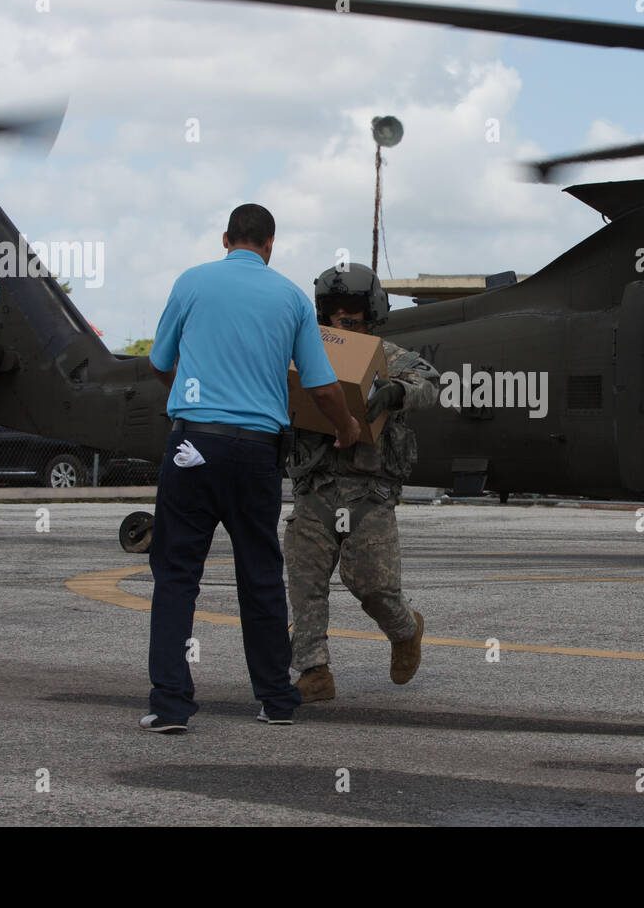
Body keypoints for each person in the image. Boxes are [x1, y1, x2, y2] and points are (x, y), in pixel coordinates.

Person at [140, 204, 360, 733]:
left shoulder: (191, 282)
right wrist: (346, 427)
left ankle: (170, 706)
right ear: (270, 243)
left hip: (192, 447)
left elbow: (159, 362)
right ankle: (275, 701)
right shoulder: (289, 297)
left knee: (175, 577)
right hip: (257, 452)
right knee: (260, 576)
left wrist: (193, 408)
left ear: (226, 239)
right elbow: (321, 384)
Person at [284, 262, 440, 700]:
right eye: (334, 309)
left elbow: (431, 383)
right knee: (305, 585)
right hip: (315, 489)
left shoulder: (388, 356)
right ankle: (314, 671)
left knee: (374, 587)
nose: (343, 317)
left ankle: (405, 630)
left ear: (370, 310)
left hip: (368, 494)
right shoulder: (306, 353)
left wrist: (397, 391)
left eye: (352, 307)